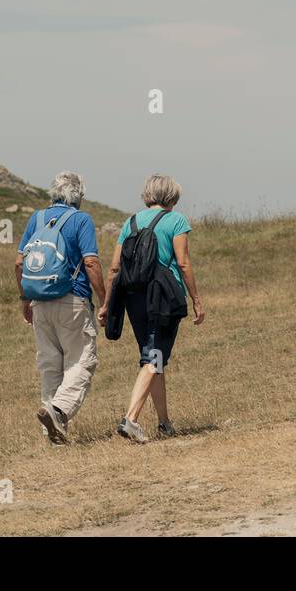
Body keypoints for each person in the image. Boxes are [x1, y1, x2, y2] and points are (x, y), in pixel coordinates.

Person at [101, 174, 203, 443]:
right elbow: (183, 263)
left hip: (133, 296)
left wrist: (106, 303)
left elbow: (114, 268)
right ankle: (131, 420)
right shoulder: (176, 220)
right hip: (163, 296)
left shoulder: (130, 222)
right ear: (171, 197)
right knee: (153, 357)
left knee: (154, 356)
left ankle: (164, 423)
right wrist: (196, 299)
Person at [16, 171, 105, 444]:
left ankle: (52, 432)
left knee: (50, 365)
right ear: (79, 195)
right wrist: (105, 300)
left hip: (40, 302)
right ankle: (59, 411)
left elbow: (19, 263)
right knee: (81, 361)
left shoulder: (37, 218)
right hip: (72, 300)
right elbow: (90, 263)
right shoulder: (81, 220)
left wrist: (24, 299)